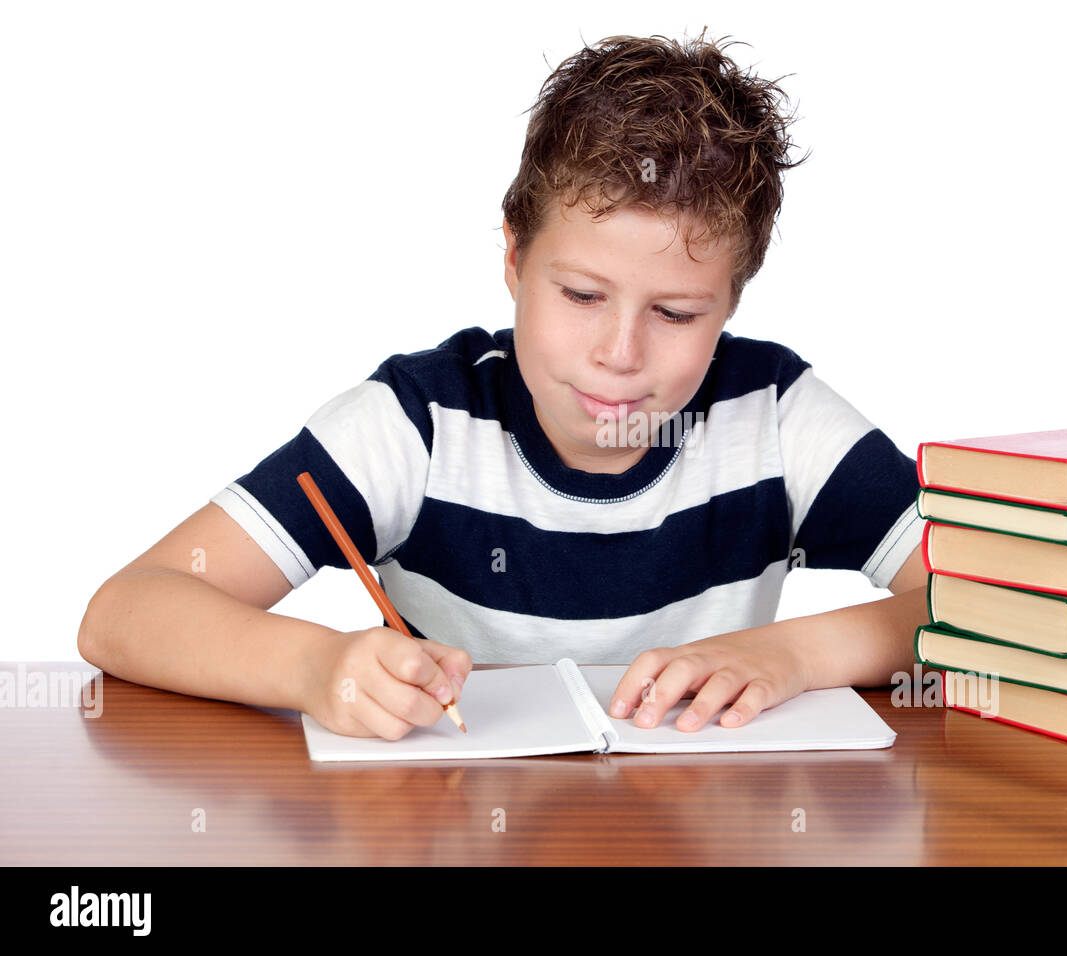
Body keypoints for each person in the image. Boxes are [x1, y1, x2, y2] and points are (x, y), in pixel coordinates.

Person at [78, 30, 929, 740]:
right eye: (582, 296)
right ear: (515, 259)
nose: (618, 354)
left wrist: (793, 656)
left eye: (675, 313)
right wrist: (315, 666)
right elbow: (128, 609)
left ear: (731, 304)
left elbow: (995, 610)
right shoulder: (420, 423)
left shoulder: (774, 416)